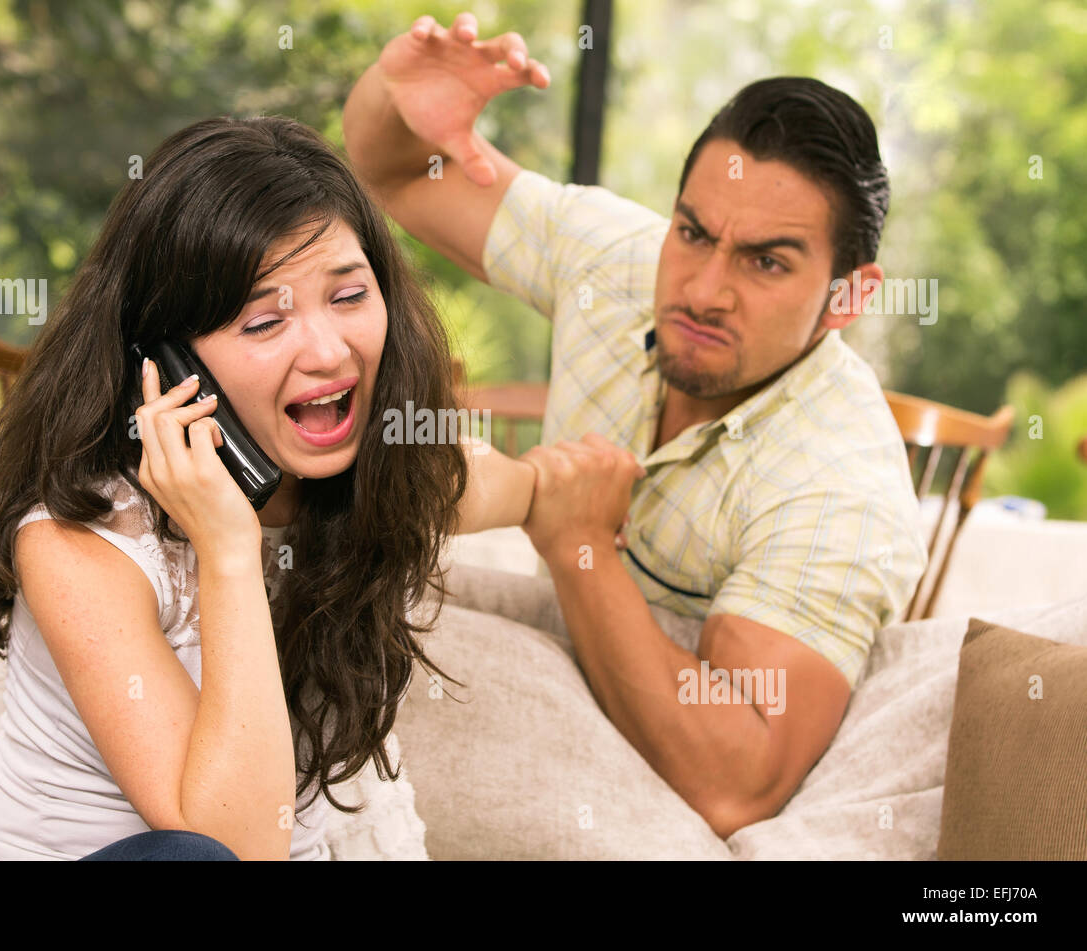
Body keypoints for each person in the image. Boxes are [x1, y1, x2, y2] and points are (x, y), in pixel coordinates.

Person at [343, 12, 928, 838]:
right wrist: (393, 96)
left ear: (849, 296)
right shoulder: (618, 259)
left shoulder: (841, 483)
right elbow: (394, 171)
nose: (704, 290)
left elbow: (737, 779)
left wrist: (580, 541)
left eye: (767, 261)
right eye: (693, 232)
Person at [0, 115, 536, 861]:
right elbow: (239, 844)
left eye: (349, 296)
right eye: (264, 321)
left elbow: (503, 483)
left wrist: (565, 499)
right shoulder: (79, 541)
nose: (328, 352)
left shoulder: (385, 478)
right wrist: (227, 546)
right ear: (162, 362)